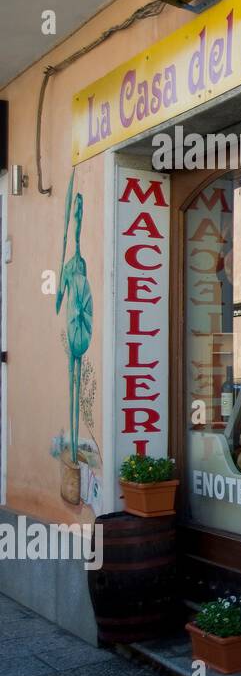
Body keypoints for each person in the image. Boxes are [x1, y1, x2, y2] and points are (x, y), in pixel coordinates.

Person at [56, 174, 93, 475]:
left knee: (78, 381)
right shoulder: (69, 266)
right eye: (76, 213)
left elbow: (84, 294)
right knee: (72, 379)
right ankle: (71, 444)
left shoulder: (80, 264)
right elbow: (59, 300)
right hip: (72, 325)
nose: (78, 218)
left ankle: (77, 449)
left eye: (80, 212)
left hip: (81, 324)